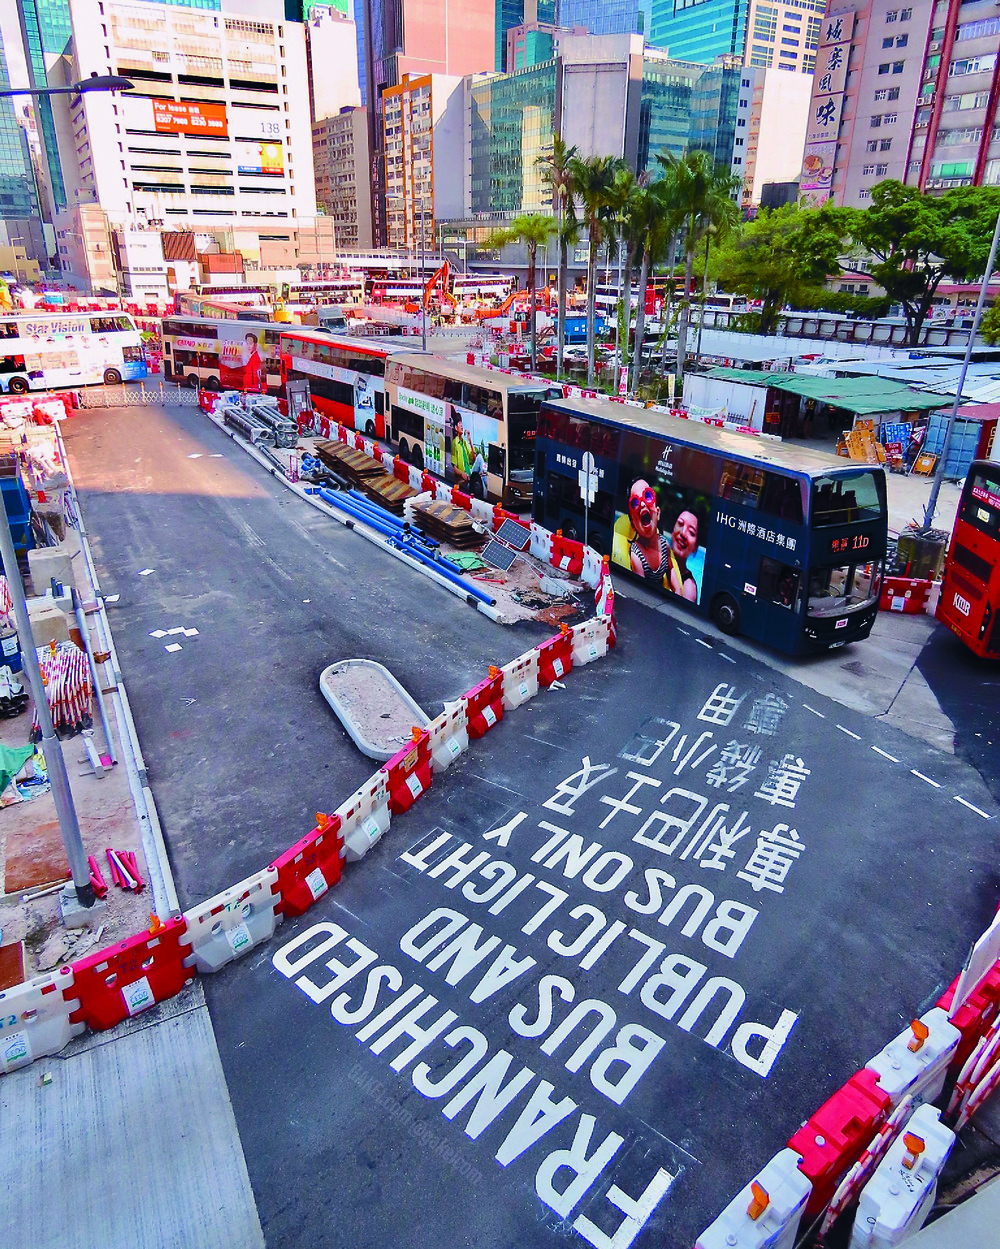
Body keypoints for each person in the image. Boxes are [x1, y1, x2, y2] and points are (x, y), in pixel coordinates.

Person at [666, 509, 699, 602]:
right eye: (680, 524)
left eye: (691, 532)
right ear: (672, 530)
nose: (683, 533)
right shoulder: (655, 555)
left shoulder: (688, 588)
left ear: (695, 547)